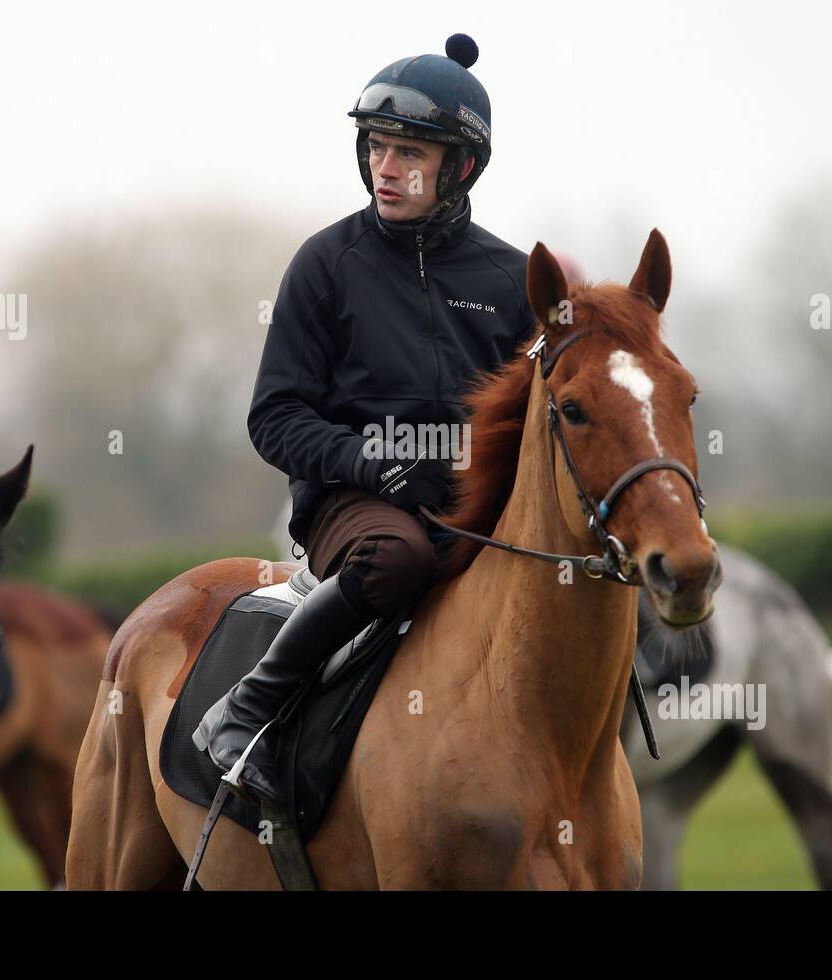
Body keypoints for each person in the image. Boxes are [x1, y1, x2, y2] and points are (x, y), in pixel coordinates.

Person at [194, 34, 539, 803]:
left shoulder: (513, 278)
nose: (386, 167)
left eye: (410, 151)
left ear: (462, 167)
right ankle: (245, 708)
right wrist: (367, 461)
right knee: (399, 558)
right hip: (355, 507)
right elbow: (274, 416)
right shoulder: (325, 263)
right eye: (377, 146)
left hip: (472, 508)